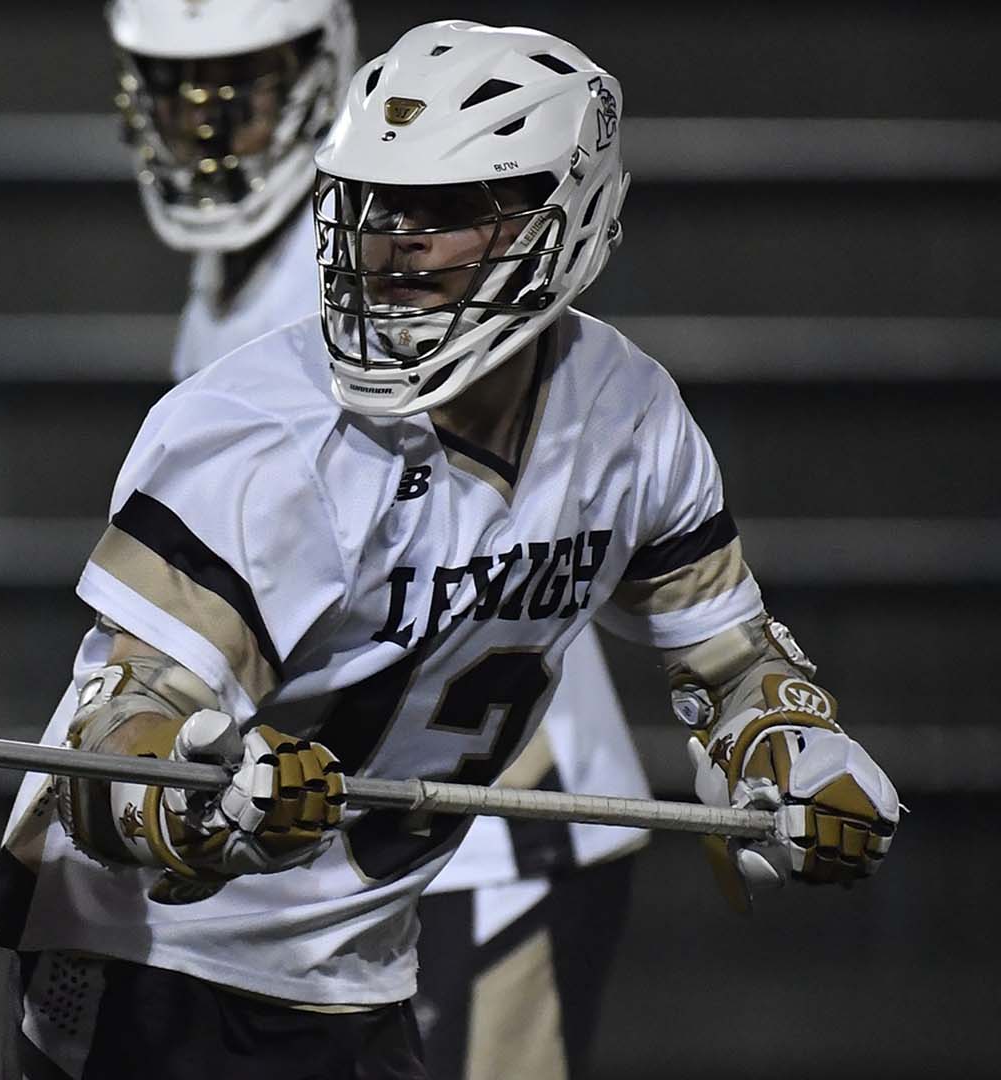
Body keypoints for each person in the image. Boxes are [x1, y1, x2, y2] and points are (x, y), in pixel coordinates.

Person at [0, 20, 899, 1080]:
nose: (396, 240)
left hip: (363, 966)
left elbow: (733, 665)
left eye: (449, 210)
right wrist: (195, 796)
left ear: (568, 214)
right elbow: (112, 734)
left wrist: (797, 753)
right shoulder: (263, 431)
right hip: (161, 960)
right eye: (376, 203)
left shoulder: (630, 413)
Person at [100, 4, 651, 1076]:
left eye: (239, 90)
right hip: (378, 830)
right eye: (173, 92)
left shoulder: (338, 300)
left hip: (481, 824)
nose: (204, 128)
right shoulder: (270, 280)